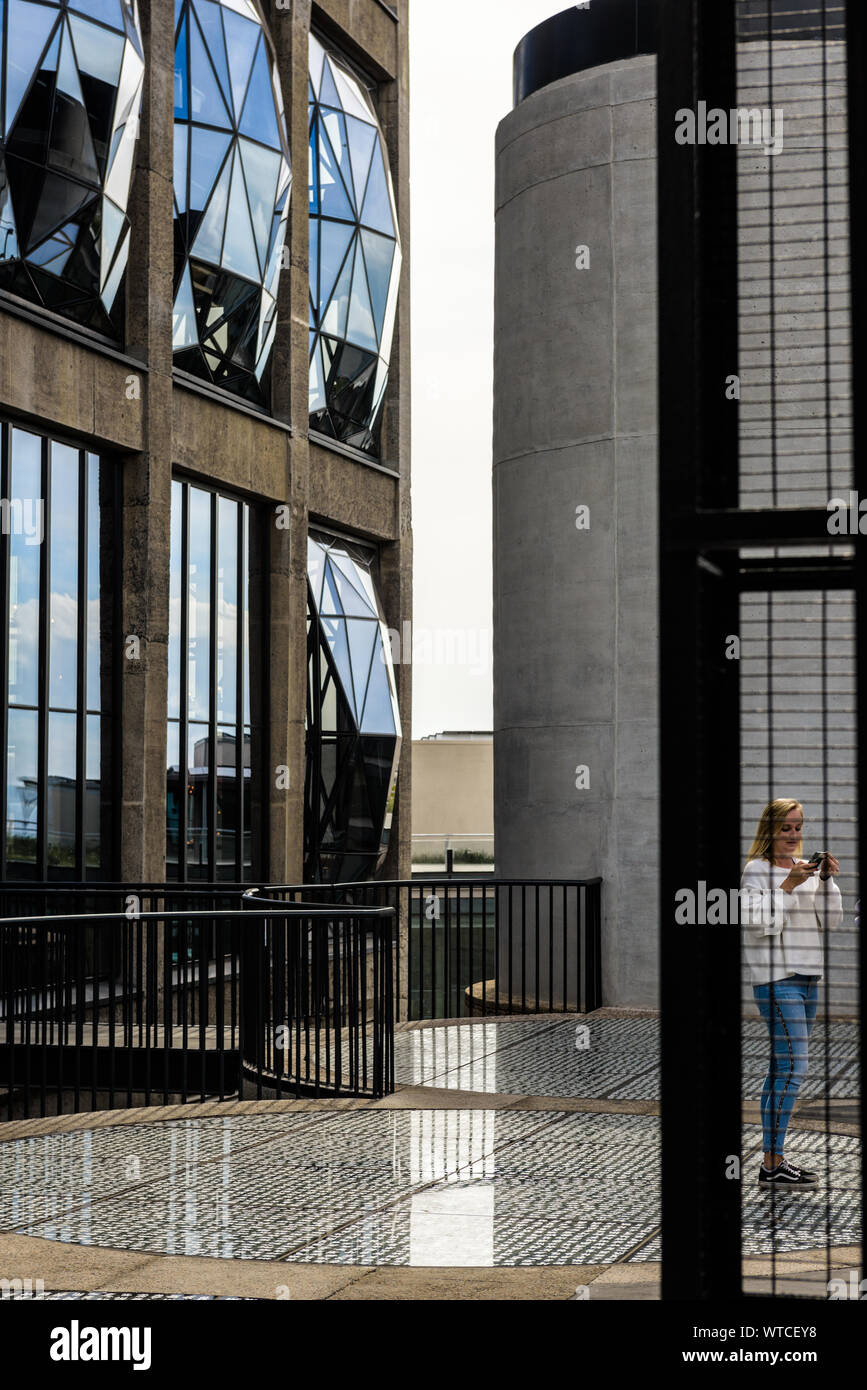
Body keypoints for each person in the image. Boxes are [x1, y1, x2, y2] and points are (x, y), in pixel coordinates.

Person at [741, 799, 842, 1187]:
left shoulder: (808, 872)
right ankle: (772, 1161)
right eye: (786, 828)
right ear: (769, 830)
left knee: (781, 1069)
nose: (794, 836)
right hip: (776, 979)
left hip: (807, 978)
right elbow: (755, 922)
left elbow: (829, 921)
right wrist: (787, 886)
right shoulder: (756, 870)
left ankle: (772, 1162)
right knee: (794, 1068)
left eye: (798, 828)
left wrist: (827, 880)